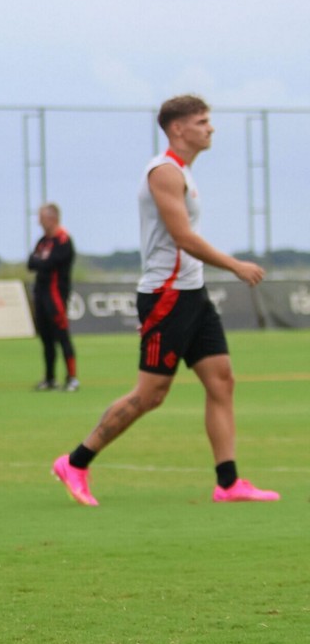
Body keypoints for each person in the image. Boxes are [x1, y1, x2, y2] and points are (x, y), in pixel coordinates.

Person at [52, 95, 278, 506]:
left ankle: (228, 484)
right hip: (166, 297)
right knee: (150, 394)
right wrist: (234, 266)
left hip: (193, 295)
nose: (211, 128)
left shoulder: (184, 173)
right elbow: (183, 238)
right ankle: (75, 461)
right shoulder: (164, 172)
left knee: (222, 380)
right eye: (203, 121)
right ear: (178, 128)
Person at [28, 203, 78, 391]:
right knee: (46, 338)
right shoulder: (43, 241)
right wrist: (42, 262)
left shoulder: (63, 240)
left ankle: (72, 378)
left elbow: (53, 262)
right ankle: (50, 378)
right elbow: (32, 262)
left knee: (62, 335)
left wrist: (41, 262)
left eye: (42, 217)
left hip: (55, 293)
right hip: (40, 292)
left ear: (52, 218)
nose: (39, 222)